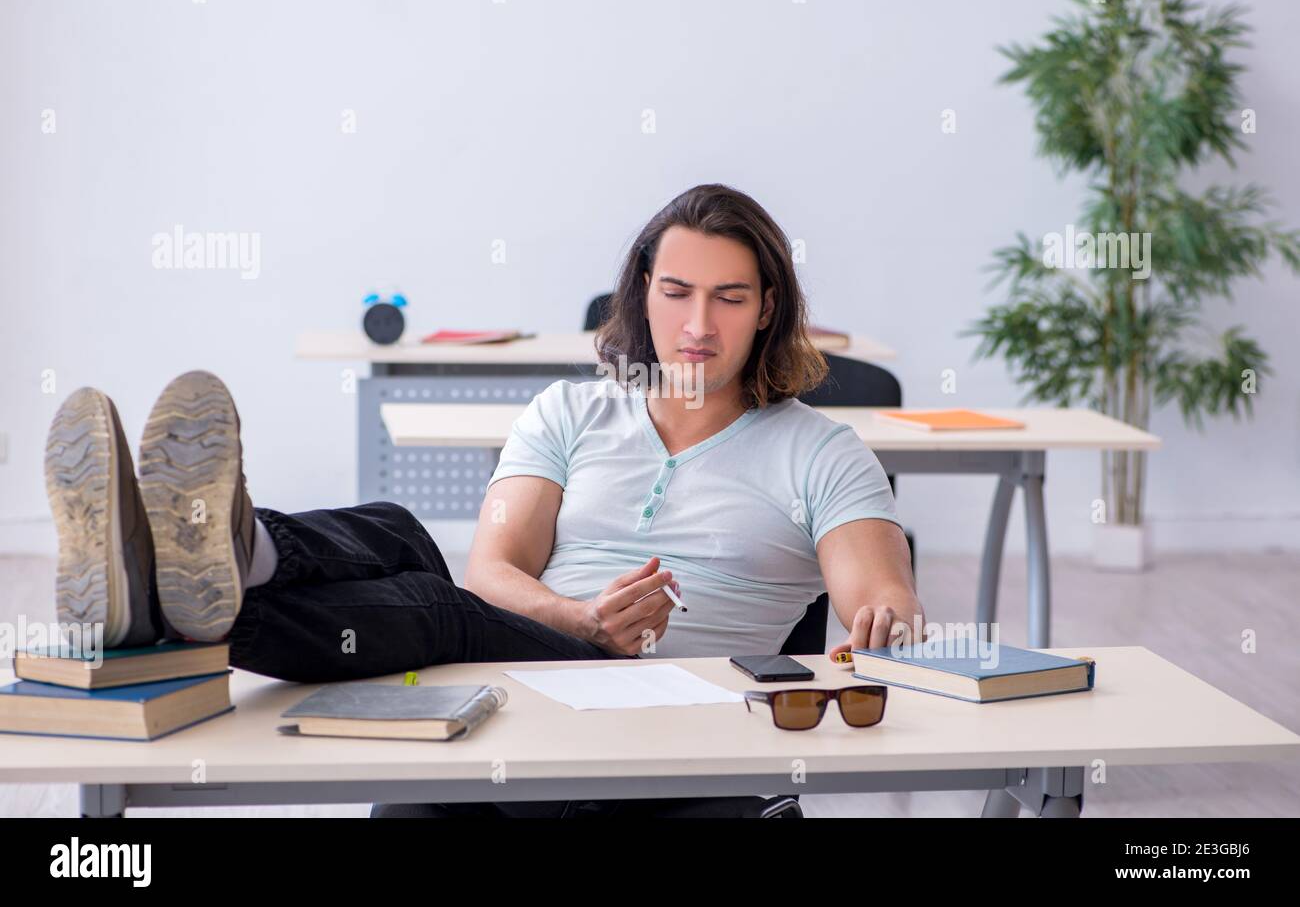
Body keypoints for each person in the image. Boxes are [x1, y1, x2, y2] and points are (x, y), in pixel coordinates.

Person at [41, 183, 923, 817]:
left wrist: (883, 617)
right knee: (398, 531)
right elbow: (493, 569)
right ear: (642, 296)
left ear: (768, 308)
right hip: (538, 658)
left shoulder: (821, 448)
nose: (699, 324)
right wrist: (581, 616)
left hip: (667, 707)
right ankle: (226, 559)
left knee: (438, 612)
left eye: (730, 298)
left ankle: (170, 596)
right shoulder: (571, 408)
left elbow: (877, 590)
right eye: (677, 292)